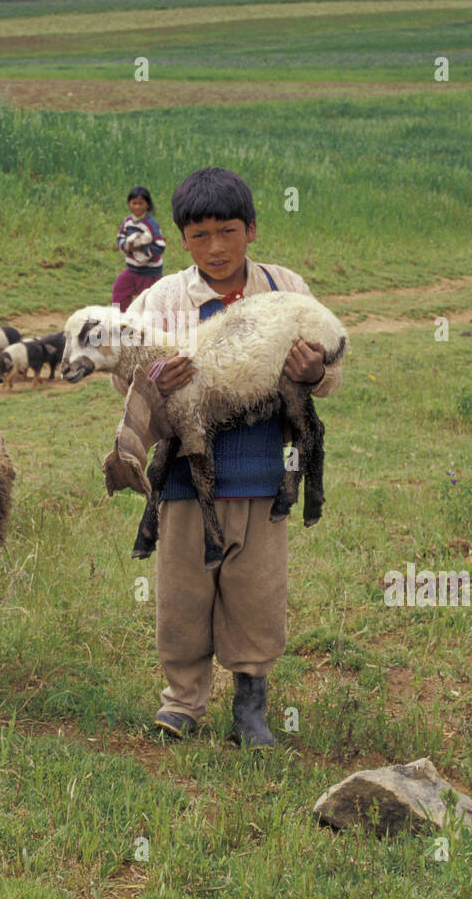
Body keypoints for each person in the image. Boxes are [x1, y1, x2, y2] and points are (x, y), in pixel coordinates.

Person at [111, 167, 343, 747]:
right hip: (188, 477)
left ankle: (250, 706)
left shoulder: (284, 289)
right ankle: (182, 701)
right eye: (201, 236)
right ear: (181, 240)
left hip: (265, 471)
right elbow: (125, 380)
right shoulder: (162, 300)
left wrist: (314, 372)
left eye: (229, 231)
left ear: (252, 229)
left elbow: (331, 369)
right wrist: (153, 379)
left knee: (256, 590)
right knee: (184, 591)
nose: (216, 248)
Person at [112, 186, 166, 312]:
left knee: (149, 303)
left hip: (150, 272)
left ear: (147, 205)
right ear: (129, 204)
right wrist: (126, 245)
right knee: (119, 290)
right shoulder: (128, 222)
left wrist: (141, 249)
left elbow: (160, 246)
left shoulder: (150, 224)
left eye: (141, 203)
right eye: (134, 203)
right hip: (132, 269)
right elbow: (120, 237)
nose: (137, 207)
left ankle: (147, 328)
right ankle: (120, 320)